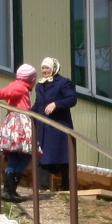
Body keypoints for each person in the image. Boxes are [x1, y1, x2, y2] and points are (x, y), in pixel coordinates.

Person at [0, 63, 36, 203]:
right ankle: (9, 189)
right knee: (25, 155)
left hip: (14, 123)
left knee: (16, 156)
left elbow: (6, 92)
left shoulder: (18, 85)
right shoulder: (20, 87)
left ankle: (9, 190)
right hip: (20, 124)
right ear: (30, 78)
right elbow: (5, 93)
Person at [31, 56, 79, 194]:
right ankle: (42, 188)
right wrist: (26, 113)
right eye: (43, 68)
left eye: (47, 68)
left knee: (62, 156)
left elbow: (72, 99)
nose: (45, 71)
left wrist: (56, 104)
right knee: (42, 155)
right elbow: (38, 105)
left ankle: (67, 188)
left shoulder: (63, 82)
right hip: (43, 128)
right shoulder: (40, 85)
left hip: (58, 127)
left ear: (54, 68)